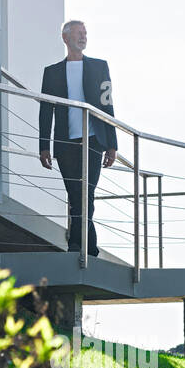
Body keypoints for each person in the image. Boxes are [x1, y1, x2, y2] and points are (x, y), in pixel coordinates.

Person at [38, 20, 118, 255]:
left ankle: (79, 245)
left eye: (85, 33)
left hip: (93, 140)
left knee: (87, 193)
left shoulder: (99, 67)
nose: (83, 37)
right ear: (65, 38)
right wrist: (44, 146)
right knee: (74, 193)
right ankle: (86, 246)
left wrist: (112, 144)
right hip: (65, 142)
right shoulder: (51, 72)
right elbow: (46, 110)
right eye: (78, 33)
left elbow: (107, 106)